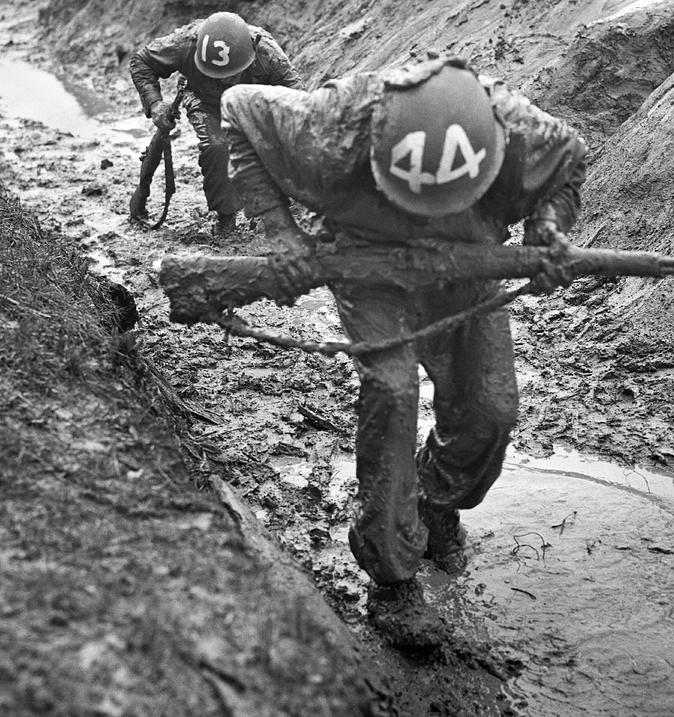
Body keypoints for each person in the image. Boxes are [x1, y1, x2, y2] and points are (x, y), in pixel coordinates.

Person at [220, 55, 586, 649]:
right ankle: (392, 577)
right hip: (370, 268)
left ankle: (435, 499)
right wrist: (282, 235)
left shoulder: (518, 131)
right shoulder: (334, 124)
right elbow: (238, 109)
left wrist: (547, 231)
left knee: (491, 410)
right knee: (391, 394)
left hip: (467, 266)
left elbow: (568, 164)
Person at [129, 11, 303, 234]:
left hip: (254, 103)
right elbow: (142, 61)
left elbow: (300, 102)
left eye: (231, 74)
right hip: (205, 100)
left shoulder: (267, 54)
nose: (224, 80)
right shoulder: (185, 43)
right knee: (217, 147)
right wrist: (155, 104)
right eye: (217, 74)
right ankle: (226, 218)